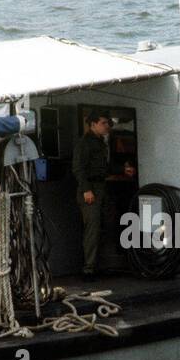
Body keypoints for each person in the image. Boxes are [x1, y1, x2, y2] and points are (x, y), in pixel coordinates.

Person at [72, 110, 112, 277]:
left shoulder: (101, 142)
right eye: (103, 123)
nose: (107, 126)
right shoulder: (85, 143)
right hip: (90, 189)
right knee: (92, 229)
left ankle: (99, 264)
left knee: (104, 225)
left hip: (101, 187)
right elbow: (78, 168)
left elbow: (103, 167)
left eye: (108, 123)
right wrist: (86, 190)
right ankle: (89, 269)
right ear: (93, 124)